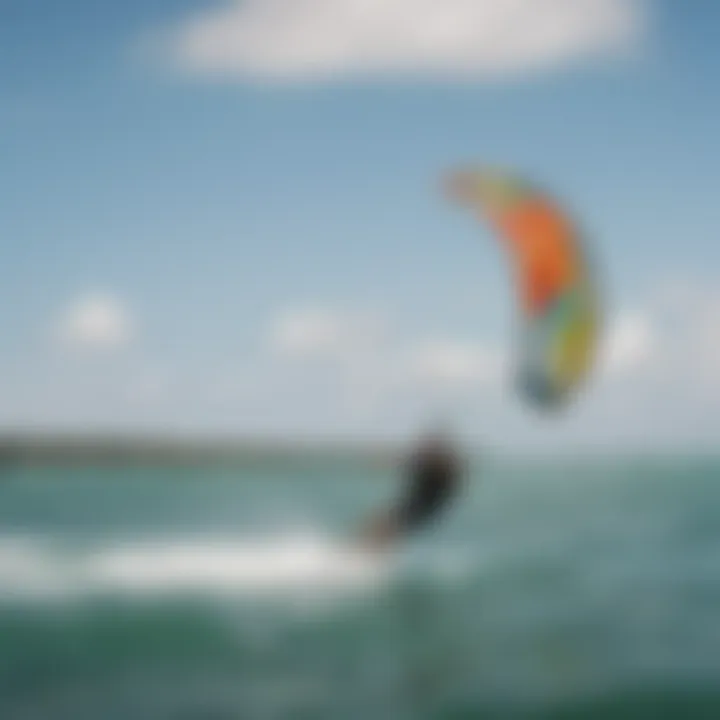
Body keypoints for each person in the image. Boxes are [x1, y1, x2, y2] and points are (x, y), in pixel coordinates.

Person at [361, 430, 464, 549]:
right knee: (388, 521)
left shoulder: (440, 465)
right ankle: (368, 545)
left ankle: (370, 546)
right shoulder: (432, 462)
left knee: (393, 522)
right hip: (421, 502)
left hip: (425, 504)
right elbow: (406, 462)